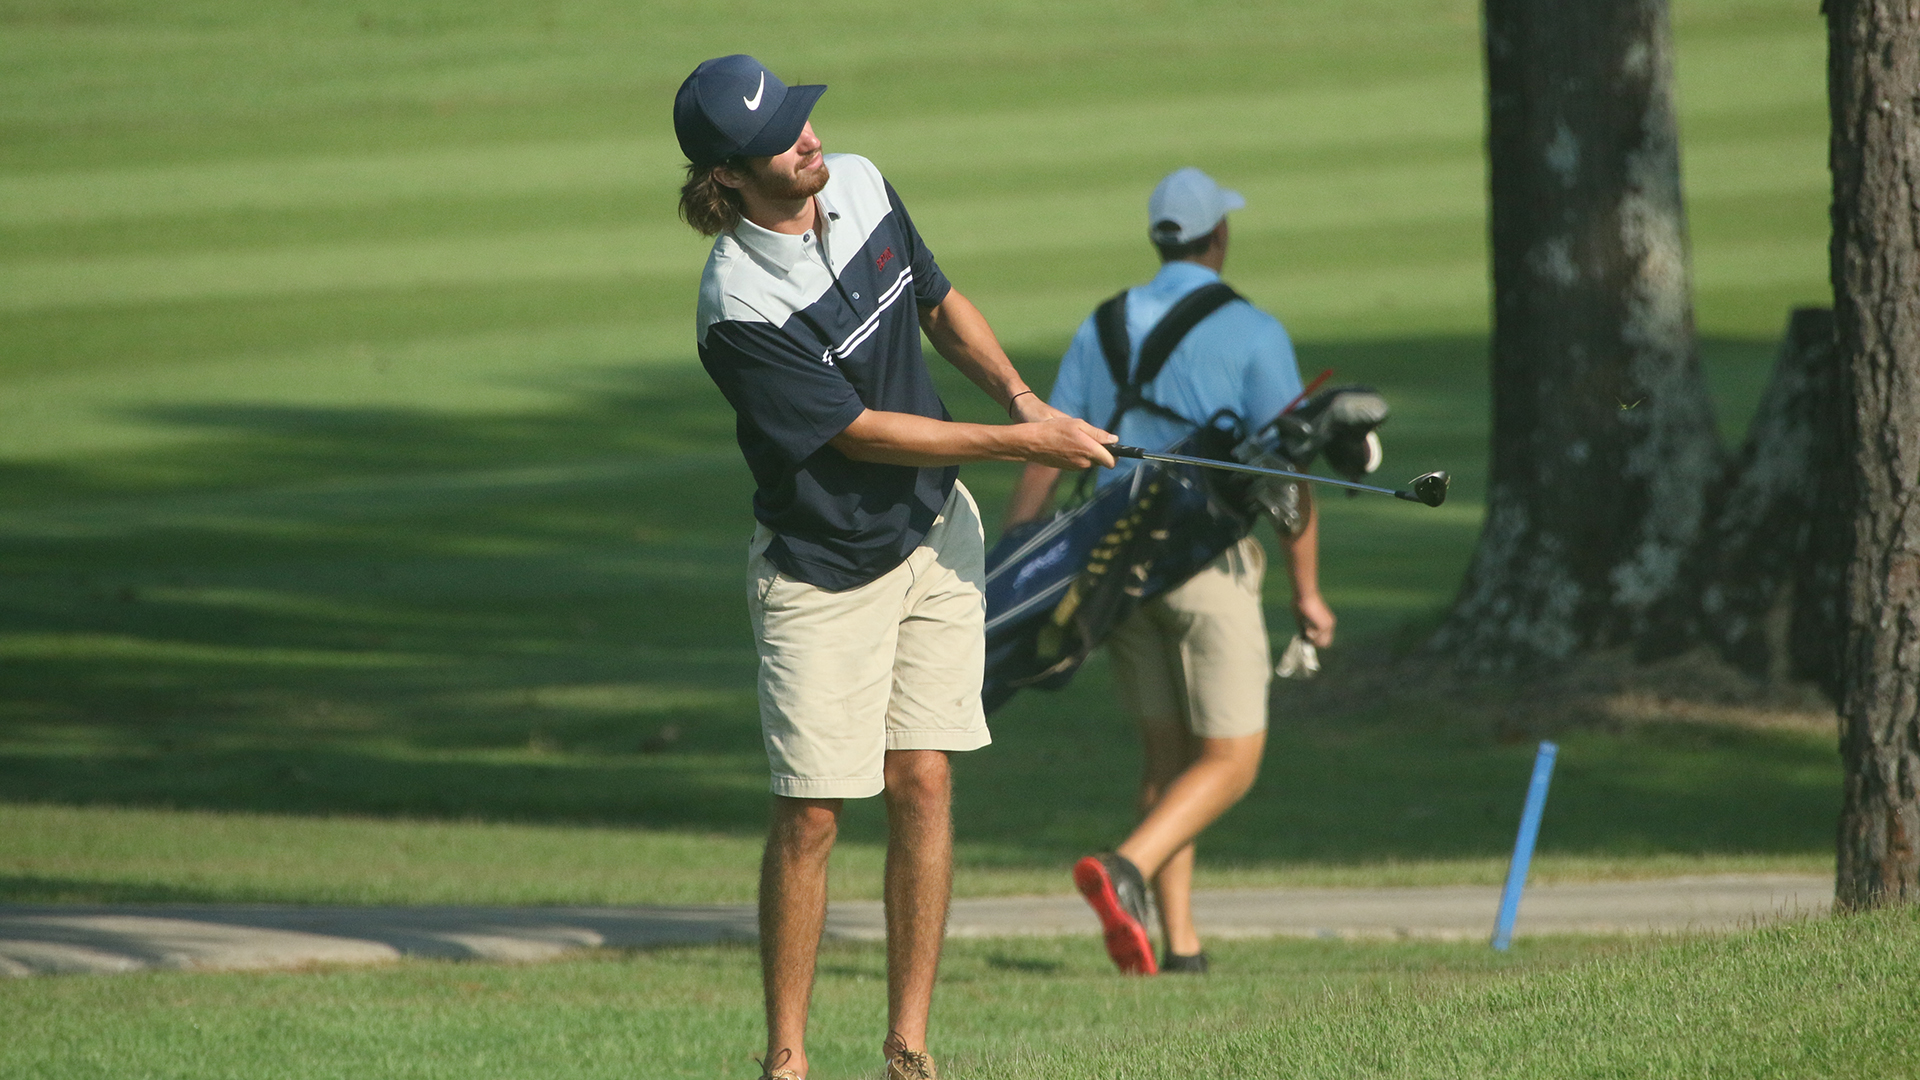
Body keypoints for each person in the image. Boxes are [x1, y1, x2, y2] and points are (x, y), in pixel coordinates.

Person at [672, 55, 1115, 1080]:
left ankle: (908, 1052)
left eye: (802, 118)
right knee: (814, 811)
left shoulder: (861, 182)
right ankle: (787, 1060)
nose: (808, 137)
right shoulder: (735, 306)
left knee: (923, 779)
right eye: (781, 135)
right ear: (728, 178)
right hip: (823, 576)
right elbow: (862, 435)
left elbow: (939, 300)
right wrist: (1028, 450)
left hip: (932, 539)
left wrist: (1020, 399)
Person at [1002, 167, 1336, 976]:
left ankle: (1178, 945)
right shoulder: (1254, 332)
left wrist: (1014, 563)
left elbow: (1046, 445)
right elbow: (1288, 476)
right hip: (1206, 564)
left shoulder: (1104, 323)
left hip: (1117, 571)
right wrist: (1307, 592)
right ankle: (1123, 870)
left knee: (1167, 760)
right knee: (1230, 762)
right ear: (1217, 238)